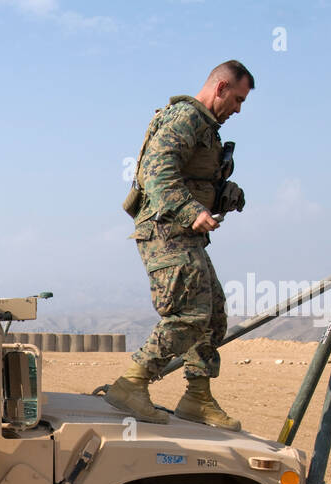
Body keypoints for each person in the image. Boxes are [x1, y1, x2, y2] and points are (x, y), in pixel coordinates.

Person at [105, 60, 253, 431]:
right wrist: (191, 210)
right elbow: (157, 170)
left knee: (213, 314)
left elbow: (191, 177)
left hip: (184, 232)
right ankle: (132, 383)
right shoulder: (185, 118)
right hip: (164, 230)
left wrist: (224, 195)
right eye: (236, 99)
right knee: (189, 313)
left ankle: (197, 398)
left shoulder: (206, 128)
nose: (238, 109)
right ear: (220, 88)